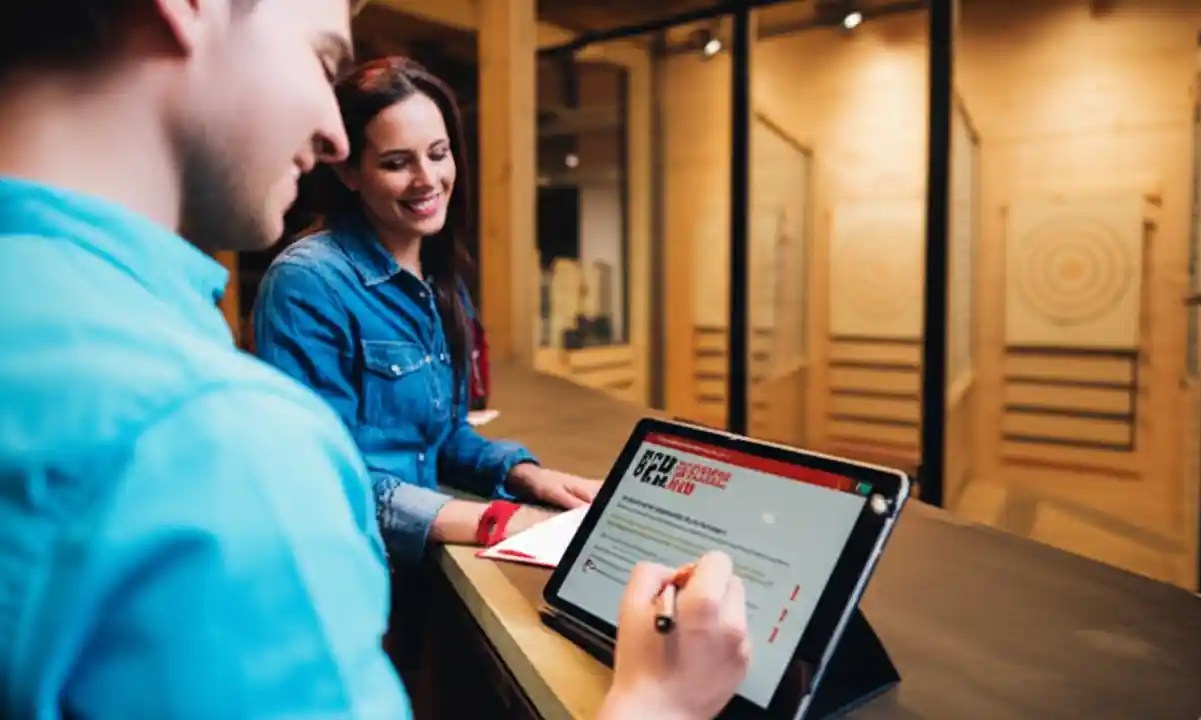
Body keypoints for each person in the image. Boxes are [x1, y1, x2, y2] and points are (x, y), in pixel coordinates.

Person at [0, 1, 749, 718]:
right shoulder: (214, 434)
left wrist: (517, 470)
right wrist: (658, 703)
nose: (330, 132)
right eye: (319, 53)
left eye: (438, 152)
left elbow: (438, 427)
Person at [252, 57, 594, 566]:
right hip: (347, 576)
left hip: (416, 574)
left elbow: (438, 435)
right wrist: (496, 520)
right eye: (396, 163)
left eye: (438, 154)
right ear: (348, 171)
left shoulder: (440, 277)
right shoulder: (308, 282)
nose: (427, 179)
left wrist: (529, 476)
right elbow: (322, 479)